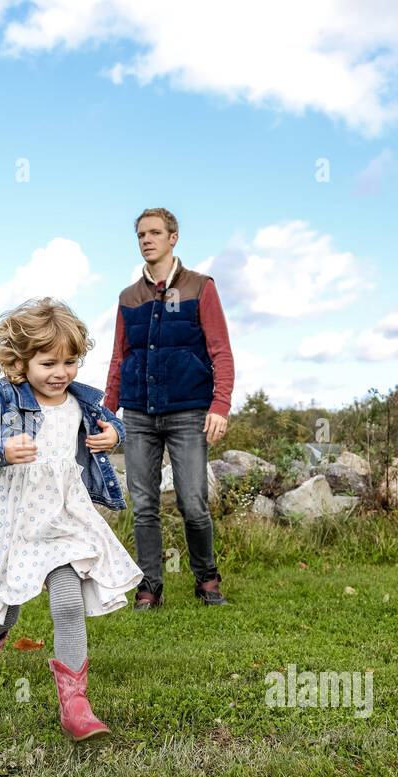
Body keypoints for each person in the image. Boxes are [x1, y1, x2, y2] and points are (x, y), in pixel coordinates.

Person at [0, 298, 143, 741]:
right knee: (7, 608)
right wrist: (2, 449)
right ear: (22, 361)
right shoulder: (6, 395)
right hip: (13, 515)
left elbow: (111, 424)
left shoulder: (81, 399)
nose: (61, 372)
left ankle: (76, 705)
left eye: (70, 361)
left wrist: (114, 433)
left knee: (69, 602)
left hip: (63, 513)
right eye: (48, 361)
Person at [104, 207, 235, 610]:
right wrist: (107, 414)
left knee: (192, 503)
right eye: (141, 234)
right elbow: (118, 359)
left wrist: (220, 404)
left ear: (173, 237)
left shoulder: (200, 287)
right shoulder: (129, 297)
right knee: (143, 506)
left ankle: (207, 579)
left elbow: (221, 351)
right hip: (139, 415)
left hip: (189, 412)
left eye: (155, 232)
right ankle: (149, 587)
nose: (147, 239)